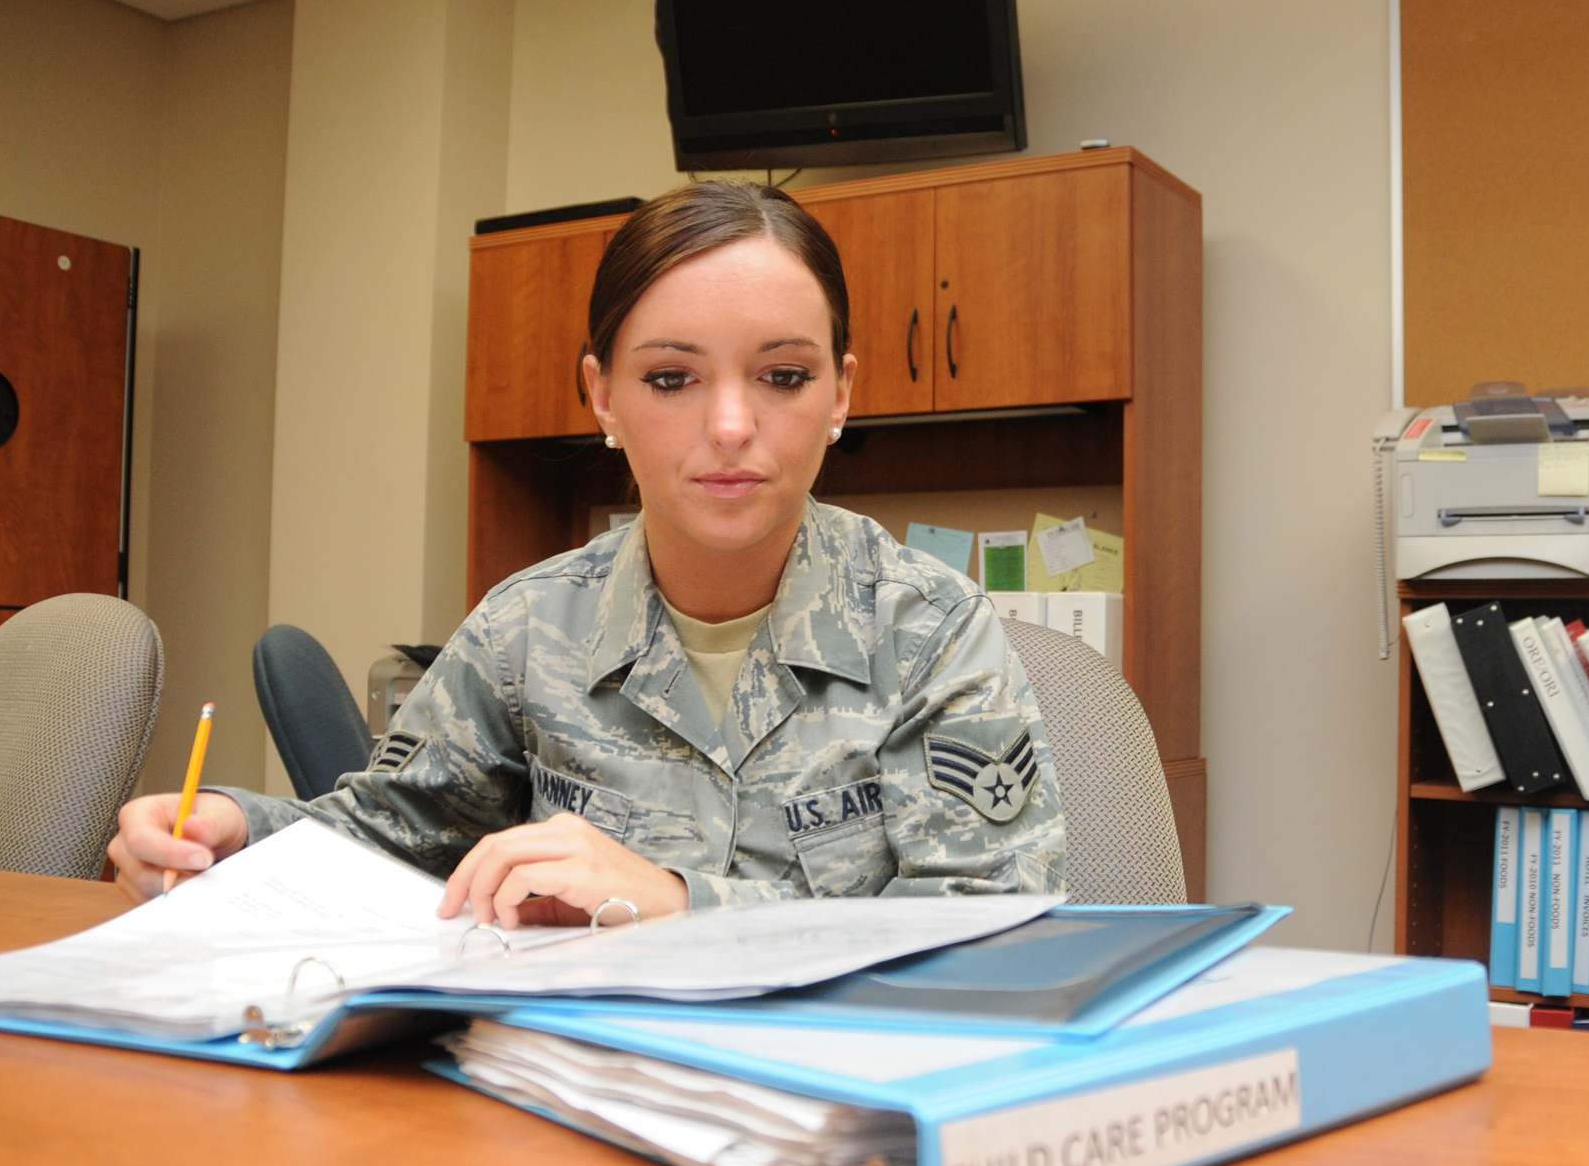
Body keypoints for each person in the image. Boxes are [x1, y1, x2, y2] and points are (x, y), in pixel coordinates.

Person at [108, 182, 1065, 928]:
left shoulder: (929, 631)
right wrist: (232, 834)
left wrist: (681, 905)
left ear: (842, 393)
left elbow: (991, 926)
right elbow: (389, 835)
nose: (732, 426)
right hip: (557, 1089)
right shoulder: (530, 628)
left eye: (783, 375)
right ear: (603, 395)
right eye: (671, 378)